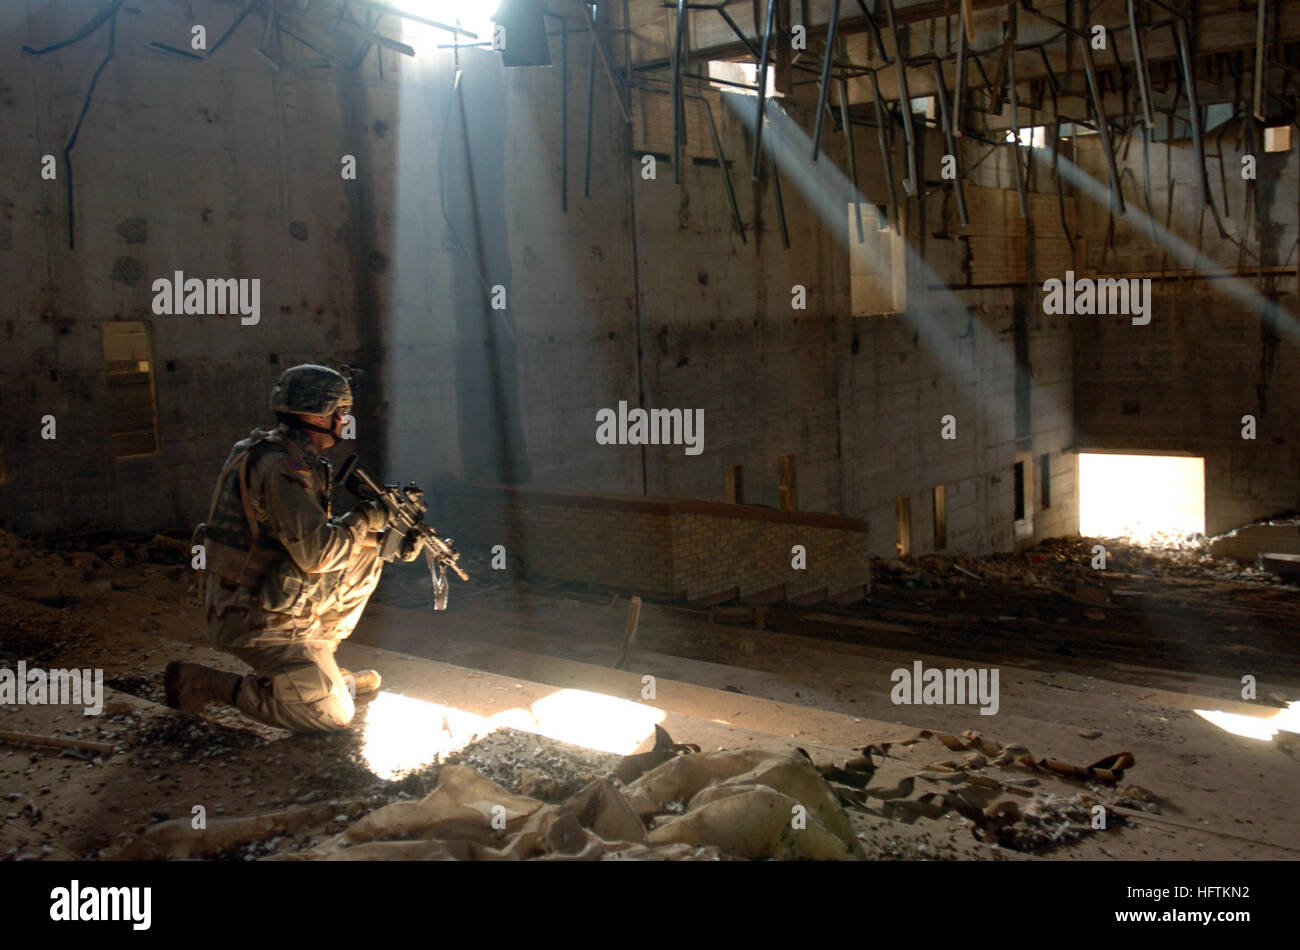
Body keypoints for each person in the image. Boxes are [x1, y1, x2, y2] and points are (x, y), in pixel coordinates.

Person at [164, 364, 422, 732]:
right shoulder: (282, 467)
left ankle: (318, 668)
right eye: (340, 412)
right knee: (333, 715)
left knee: (367, 553)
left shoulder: (275, 452)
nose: (344, 420)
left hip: (256, 595)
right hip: (247, 614)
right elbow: (316, 554)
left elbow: (308, 537)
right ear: (317, 414)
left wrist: (385, 541)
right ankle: (205, 683)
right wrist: (366, 517)